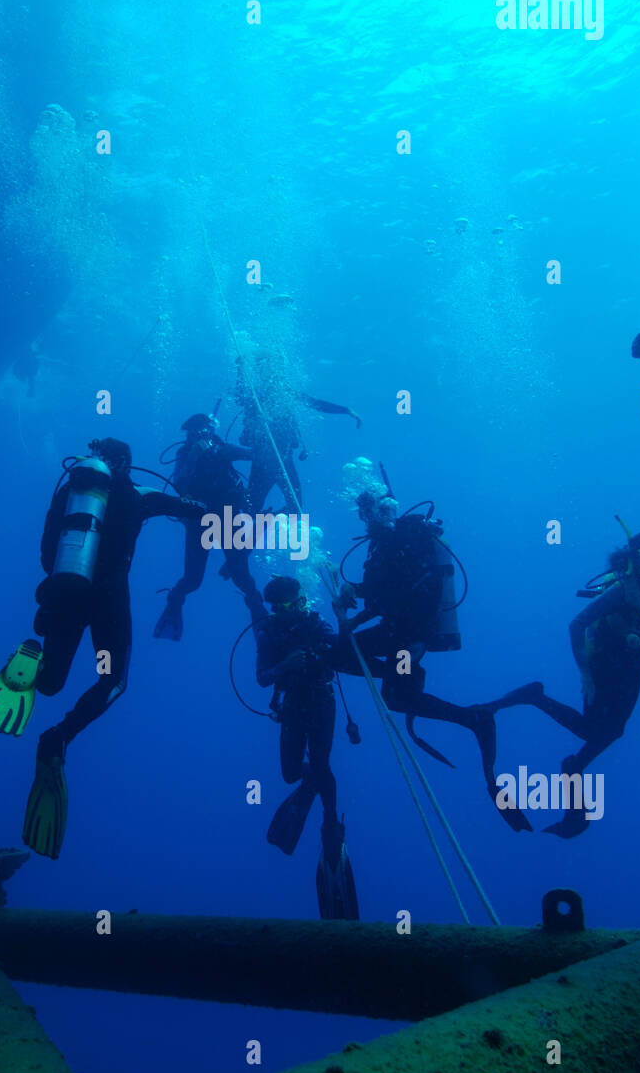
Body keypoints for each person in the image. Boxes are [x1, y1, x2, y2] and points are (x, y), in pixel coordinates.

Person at [0, 437, 203, 858]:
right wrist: (205, 506)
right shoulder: (139, 493)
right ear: (127, 466)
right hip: (108, 600)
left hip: (65, 591)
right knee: (112, 681)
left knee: (52, 684)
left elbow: (46, 553)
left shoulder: (72, 491)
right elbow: (187, 509)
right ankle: (59, 738)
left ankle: (30, 655)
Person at [333, 491, 522, 828]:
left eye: (371, 512)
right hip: (394, 632)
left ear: (382, 512)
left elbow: (396, 594)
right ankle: (422, 690)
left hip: (409, 639)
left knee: (395, 697)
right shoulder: (384, 544)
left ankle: (474, 719)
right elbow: (380, 589)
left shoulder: (401, 540)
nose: (368, 519)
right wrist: (352, 591)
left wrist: (355, 621)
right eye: (364, 513)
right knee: (340, 654)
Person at [493, 528, 640, 838]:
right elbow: (577, 624)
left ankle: (572, 768)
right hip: (603, 668)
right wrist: (585, 673)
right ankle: (538, 702)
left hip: (632, 670)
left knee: (614, 731)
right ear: (636, 560)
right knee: (594, 729)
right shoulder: (624, 590)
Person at [254, 576, 359, 920]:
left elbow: (342, 652)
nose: (290, 610)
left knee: (321, 763)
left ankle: (331, 826)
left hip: (322, 704)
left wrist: (341, 622)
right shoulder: (269, 633)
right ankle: (311, 785)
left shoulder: (316, 624)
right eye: (282, 606)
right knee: (290, 774)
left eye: (294, 603)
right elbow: (262, 677)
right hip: (292, 707)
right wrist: (286, 664)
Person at [154, 413, 261, 639]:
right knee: (193, 580)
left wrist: (257, 440)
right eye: (194, 434)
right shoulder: (184, 454)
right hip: (198, 521)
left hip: (228, 518)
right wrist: (193, 456)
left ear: (211, 431)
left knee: (242, 577)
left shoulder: (223, 448)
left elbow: (255, 455)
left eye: (203, 432)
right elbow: (179, 483)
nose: (199, 437)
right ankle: (174, 603)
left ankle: (260, 619)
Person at [235, 353, 362, 513]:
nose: (275, 372)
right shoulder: (256, 394)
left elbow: (314, 403)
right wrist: (240, 369)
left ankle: (269, 520)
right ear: (261, 371)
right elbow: (240, 397)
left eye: (277, 368)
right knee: (251, 509)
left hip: (284, 458)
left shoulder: (285, 392)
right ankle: (251, 521)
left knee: (295, 507)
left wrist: (345, 410)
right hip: (263, 458)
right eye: (269, 368)